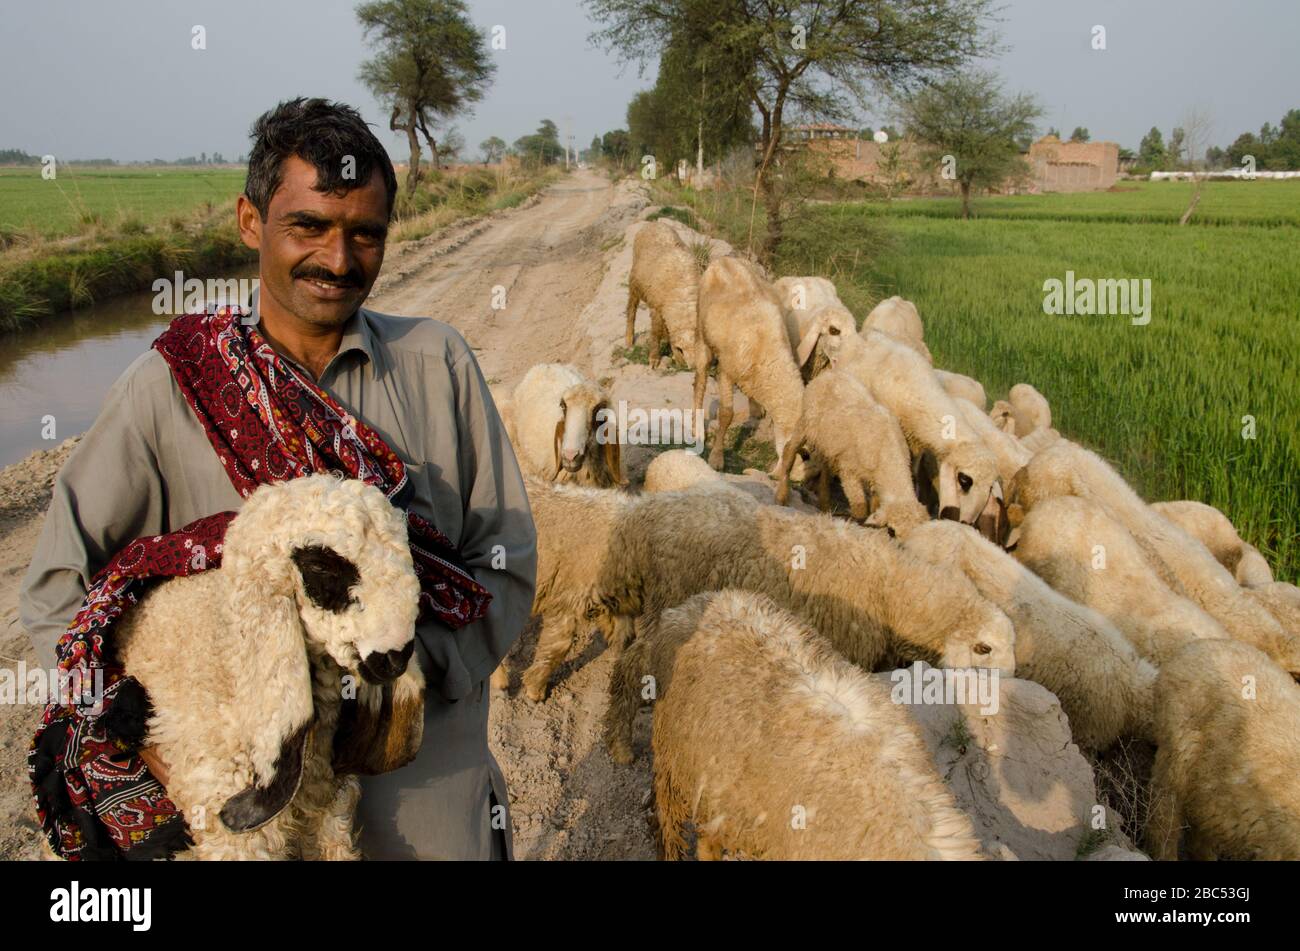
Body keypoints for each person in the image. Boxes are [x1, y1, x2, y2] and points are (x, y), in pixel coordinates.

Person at [20, 98, 537, 860]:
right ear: (250, 222)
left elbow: (504, 561)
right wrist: (156, 735)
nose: (338, 258)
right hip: (251, 821)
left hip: (424, 801)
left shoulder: (441, 365)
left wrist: (390, 671)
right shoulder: (168, 388)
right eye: (309, 227)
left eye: (365, 233)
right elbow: (59, 588)